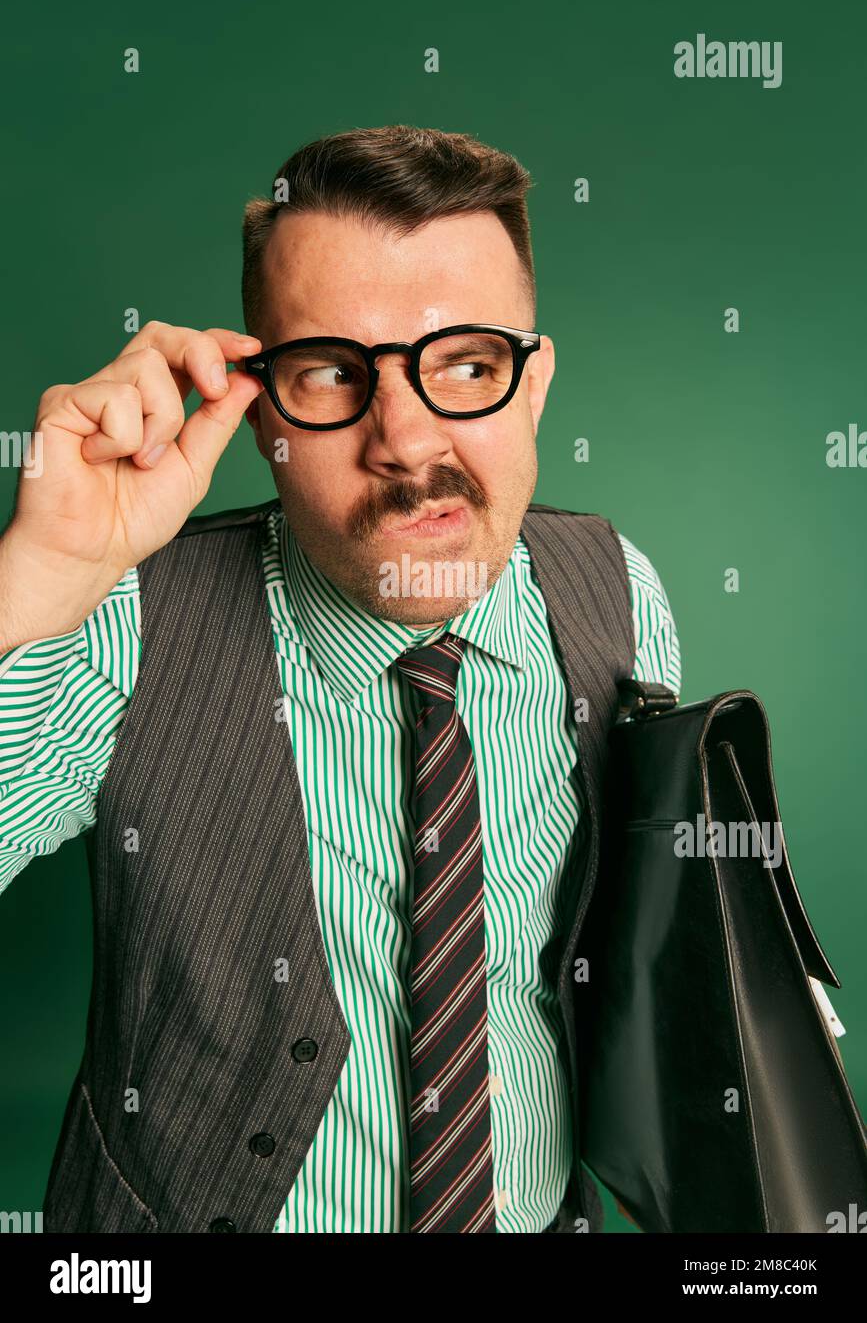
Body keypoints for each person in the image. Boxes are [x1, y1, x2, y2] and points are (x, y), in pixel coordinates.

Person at [0, 125, 680, 1233]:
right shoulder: (121, 612)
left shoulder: (621, 591)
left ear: (535, 380)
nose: (407, 441)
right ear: (261, 406)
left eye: (467, 363)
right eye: (330, 372)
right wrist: (31, 584)